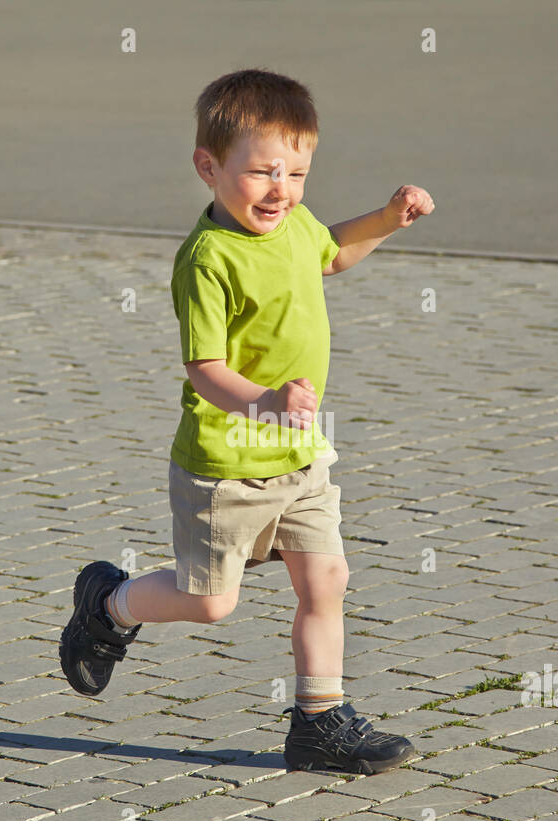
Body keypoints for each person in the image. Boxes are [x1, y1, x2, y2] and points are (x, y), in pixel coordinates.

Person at [60, 68, 435, 775]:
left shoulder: (294, 226)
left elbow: (333, 255)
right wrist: (265, 402)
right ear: (209, 166)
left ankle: (320, 723)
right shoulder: (207, 260)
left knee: (326, 580)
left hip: (299, 457)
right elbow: (204, 368)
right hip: (225, 466)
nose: (282, 190)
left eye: (296, 173)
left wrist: (388, 219)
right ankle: (107, 605)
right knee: (209, 605)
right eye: (263, 172)